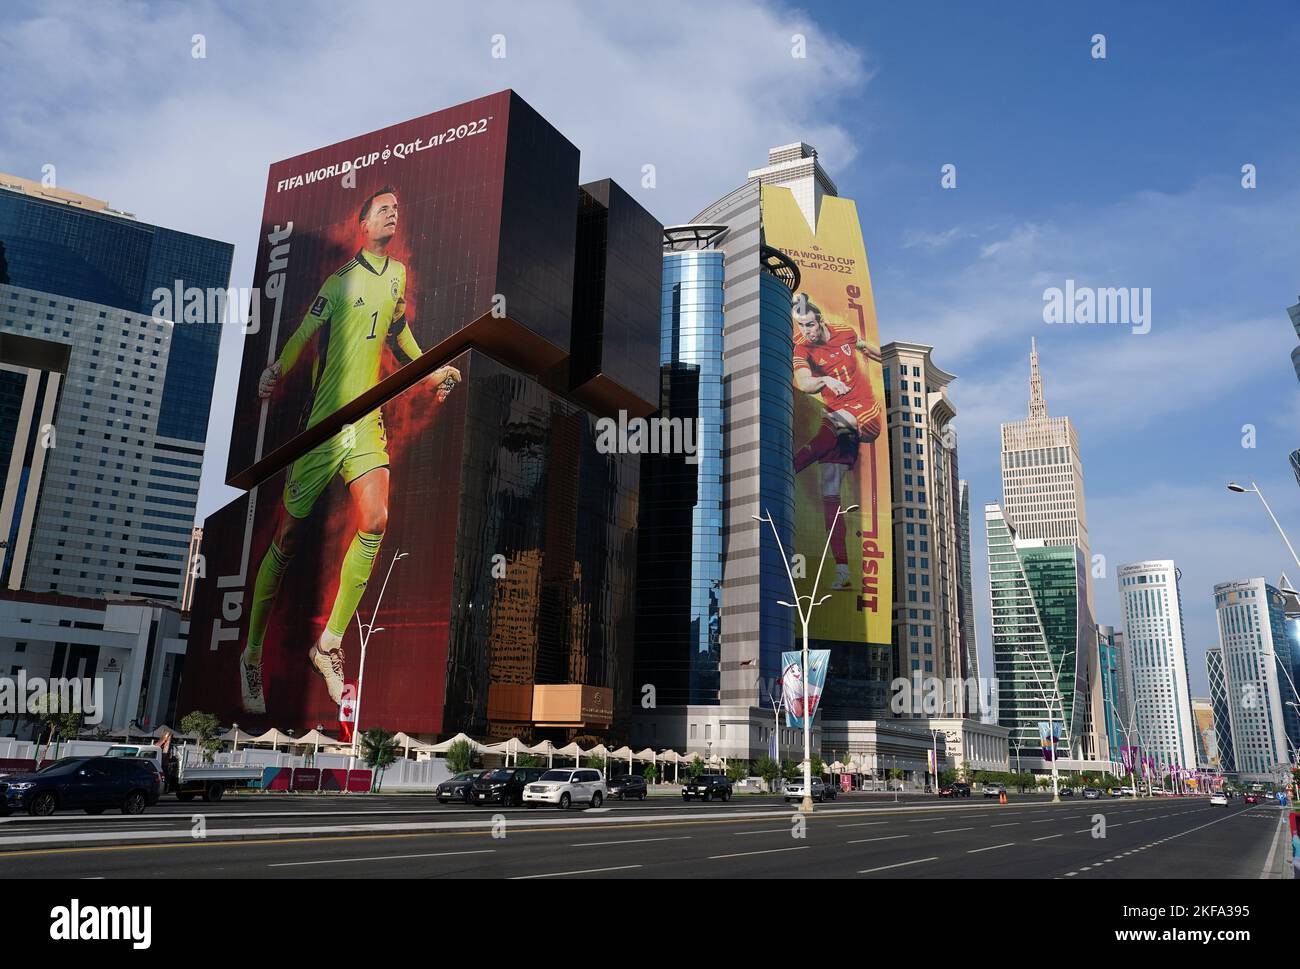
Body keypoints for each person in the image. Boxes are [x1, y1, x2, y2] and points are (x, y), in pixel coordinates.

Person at [239, 185, 461, 712]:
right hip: (323, 424)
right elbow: (299, 337)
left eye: (396, 208)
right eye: (383, 208)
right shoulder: (338, 283)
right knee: (288, 537)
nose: (393, 212)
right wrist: (275, 370)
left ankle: (330, 644)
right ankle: (250, 655)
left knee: (377, 519)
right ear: (363, 224)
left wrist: (431, 372)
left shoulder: (398, 277)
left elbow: (400, 334)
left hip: (365, 423)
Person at [790, 294, 882, 589]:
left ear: (820, 320)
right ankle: (842, 570)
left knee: (837, 419)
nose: (806, 331)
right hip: (838, 426)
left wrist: (889, 358)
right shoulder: (802, 348)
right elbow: (804, 383)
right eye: (801, 326)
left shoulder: (844, 331)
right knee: (829, 489)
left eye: (809, 324)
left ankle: (787, 470)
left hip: (865, 413)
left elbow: (864, 347)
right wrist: (826, 381)